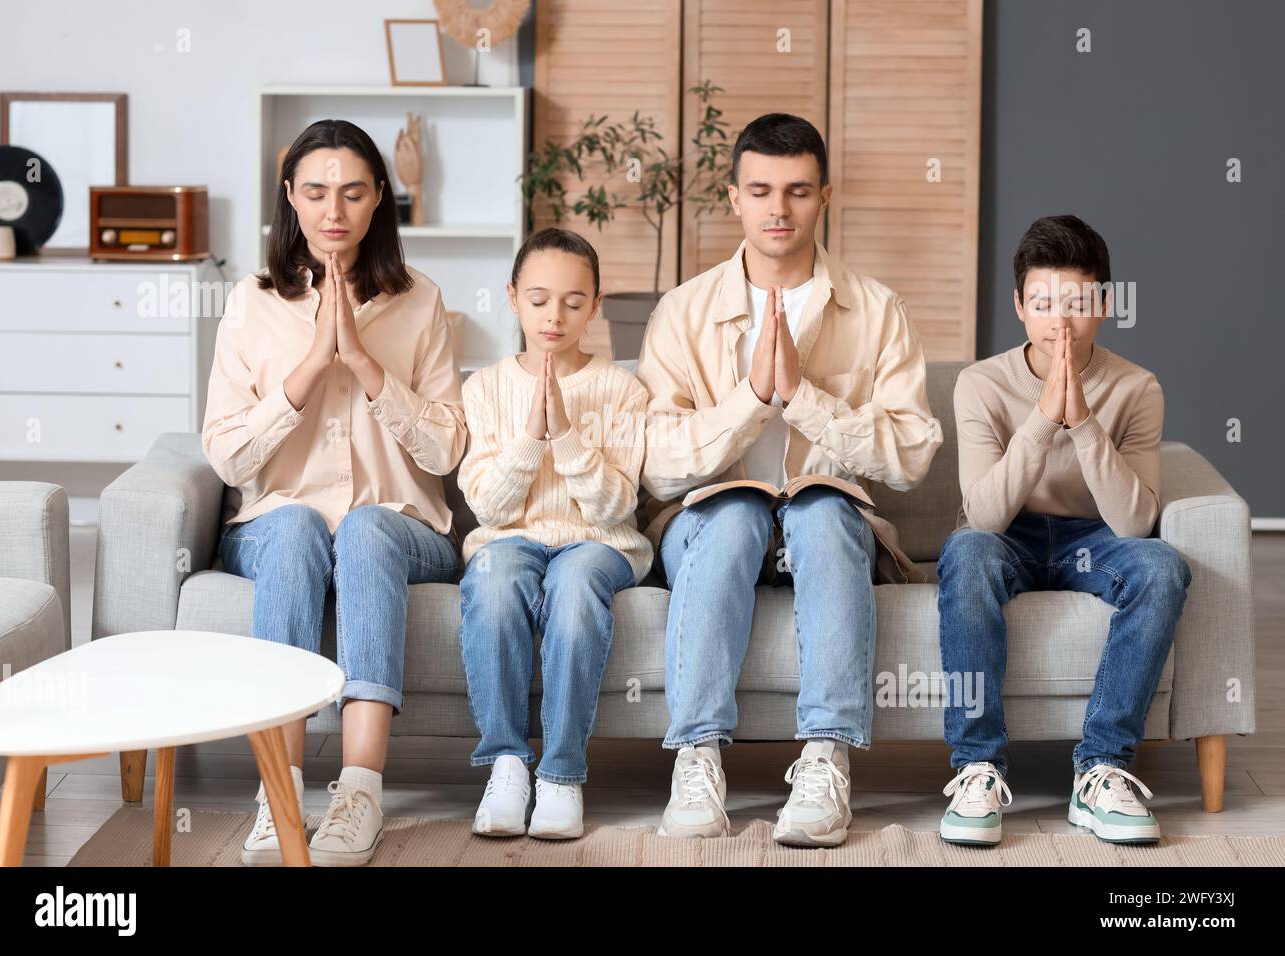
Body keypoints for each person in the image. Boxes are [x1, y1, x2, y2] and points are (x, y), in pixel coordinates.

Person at [636, 113, 943, 846]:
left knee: (822, 510)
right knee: (737, 512)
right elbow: (654, 460)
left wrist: (804, 397)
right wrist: (750, 400)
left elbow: (911, 455)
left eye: (799, 191)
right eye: (762, 190)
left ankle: (825, 760)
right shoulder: (682, 312)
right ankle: (697, 756)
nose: (779, 209)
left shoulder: (878, 311)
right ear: (734, 198)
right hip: (715, 527)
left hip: (827, 532)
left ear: (825, 196)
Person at [202, 119, 467, 866]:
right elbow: (225, 455)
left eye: (353, 193)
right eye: (315, 192)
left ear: (380, 198)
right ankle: (278, 797)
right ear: (290, 196)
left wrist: (364, 363)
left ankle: (359, 794)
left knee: (363, 528)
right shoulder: (252, 303)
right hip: (275, 521)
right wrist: (313, 366)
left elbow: (448, 447)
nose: (333, 212)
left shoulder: (422, 301)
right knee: (293, 527)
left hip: (402, 526)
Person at [937, 214, 1190, 846]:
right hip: (1009, 539)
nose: (1061, 323)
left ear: (1104, 305)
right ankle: (977, 767)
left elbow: (1135, 523)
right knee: (967, 551)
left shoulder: (1137, 388)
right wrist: (1043, 421)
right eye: (1045, 304)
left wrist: (1083, 423)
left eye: (1077, 304)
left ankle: (1102, 767)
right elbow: (986, 514)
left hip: (1092, 541)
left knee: (1163, 567)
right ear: (1020, 306)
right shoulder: (981, 385)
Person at [458, 228, 651, 839]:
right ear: (513, 297)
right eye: (539, 299)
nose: (554, 316)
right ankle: (509, 764)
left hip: (601, 544)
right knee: (493, 583)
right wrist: (530, 437)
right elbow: (488, 507)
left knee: (573, 587)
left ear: (596, 305)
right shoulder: (484, 387)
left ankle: (563, 774)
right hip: (507, 540)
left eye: (573, 301)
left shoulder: (623, 388)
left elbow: (617, 505)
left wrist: (566, 434)